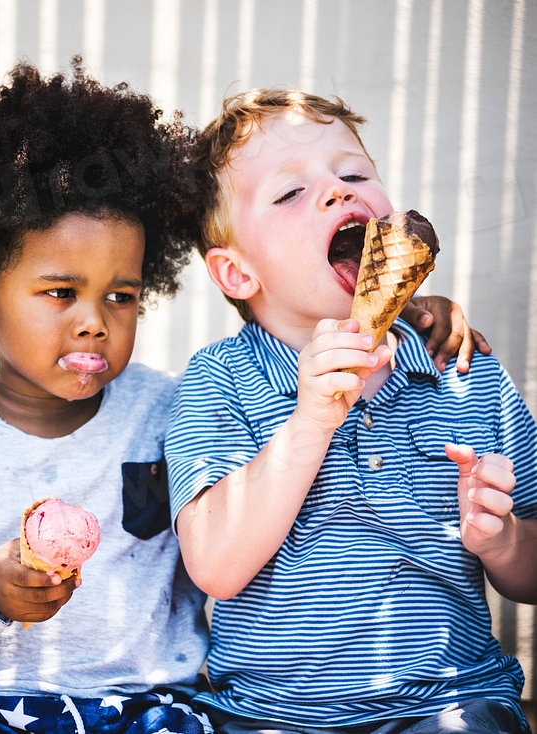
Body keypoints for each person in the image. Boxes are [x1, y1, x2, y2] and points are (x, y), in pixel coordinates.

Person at [0, 64, 487, 734]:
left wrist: (407, 312)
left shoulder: (173, 406)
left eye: (121, 295)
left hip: (157, 709)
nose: (95, 320)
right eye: (60, 293)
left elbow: (276, 356)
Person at [165, 88, 536, 734]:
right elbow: (216, 566)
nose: (338, 192)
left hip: (450, 705)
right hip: (266, 716)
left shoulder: (465, 372)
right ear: (236, 274)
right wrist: (309, 422)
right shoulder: (220, 379)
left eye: (354, 174)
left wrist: (501, 541)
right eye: (289, 194)